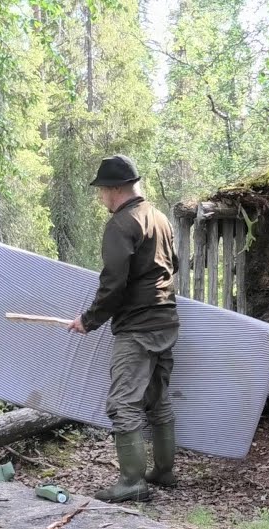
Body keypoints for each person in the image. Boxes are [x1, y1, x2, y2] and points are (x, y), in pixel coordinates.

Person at [68, 155, 179, 503]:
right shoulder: (159, 218)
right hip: (165, 320)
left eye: (102, 191)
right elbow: (172, 265)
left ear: (115, 189)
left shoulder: (121, 223)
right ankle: (164, 471)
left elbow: (114, 281)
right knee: (157, 399)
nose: (101, 197)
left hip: (137, 327)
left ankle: (132, 482)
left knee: (123, 404)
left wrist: (89, 319)